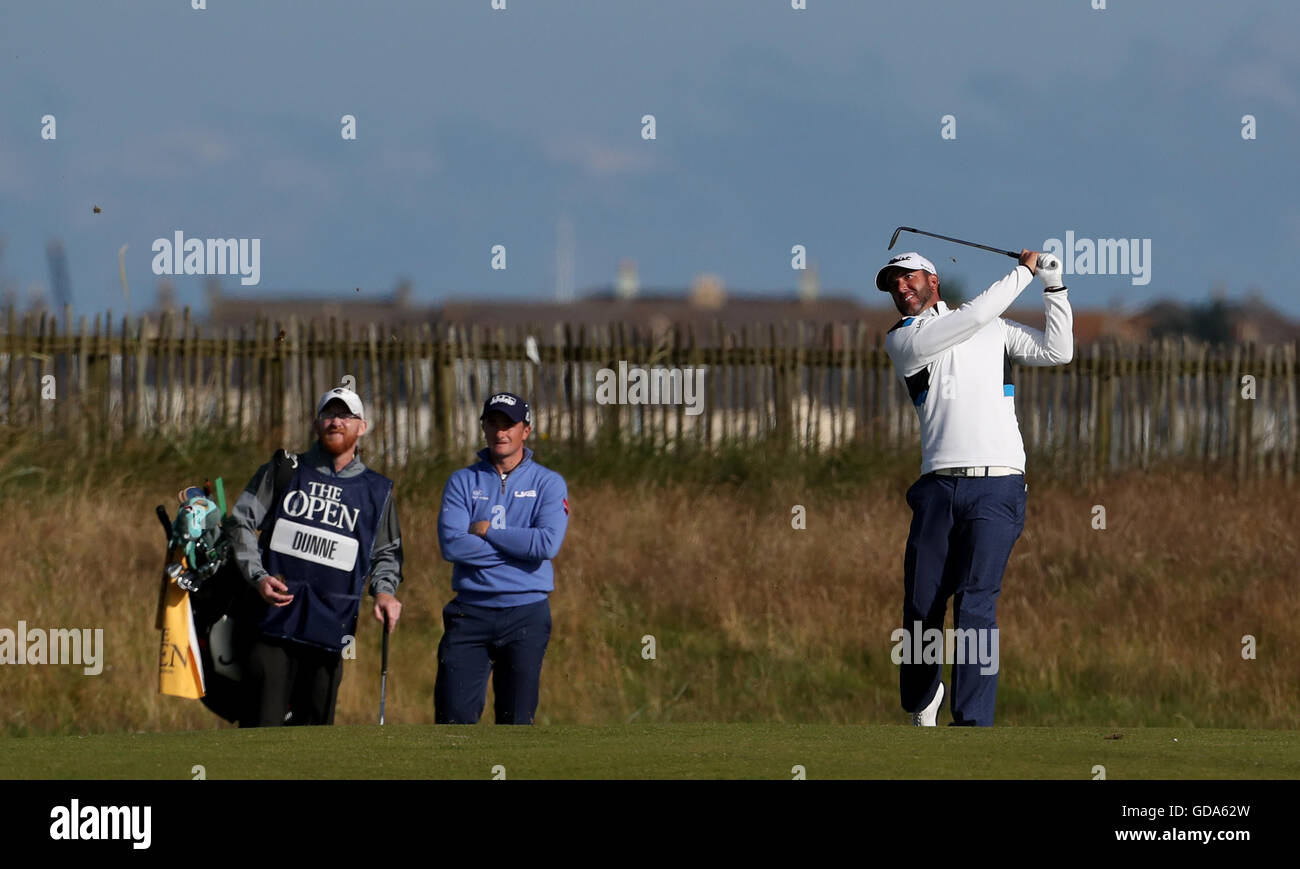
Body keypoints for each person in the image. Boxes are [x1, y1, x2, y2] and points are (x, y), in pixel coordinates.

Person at [879, 249, 1073, 726]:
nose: (901, 289)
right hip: (938, 487)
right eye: (892, 285)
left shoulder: (992, 327)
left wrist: (1053, 286)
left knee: (976, 603)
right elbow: (972, 317)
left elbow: (1057, 350)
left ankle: (973, 723)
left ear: (932, 279)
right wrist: (1023, 272)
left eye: (908, 279)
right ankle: (923, 698)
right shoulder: (906, 340)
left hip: (999, 485)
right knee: (922, 603)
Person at [230, 385, 403, 726]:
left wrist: (384, 592)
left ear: (361, 427)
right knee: (261, 732)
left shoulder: (376, 491)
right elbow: (240, 524)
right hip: (270, 627)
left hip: (328, 633)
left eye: (345, 415)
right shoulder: (284, 470)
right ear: (316, 423)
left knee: (313, 741)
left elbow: (386, 553)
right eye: (328, 414)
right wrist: (258, 576)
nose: (335, 422)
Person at [434, 391, 569, 725]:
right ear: (483, 428)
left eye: (508, 424)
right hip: (470, 613)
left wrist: (488, 533)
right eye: (492, 423)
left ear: (526, 430)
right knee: (454, 719)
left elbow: (546, 545)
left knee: (515, 721)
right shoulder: (462, 481)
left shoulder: (549, 483)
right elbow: (453, 546)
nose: (500, 432)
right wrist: (518, 552)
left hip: (526, 615)